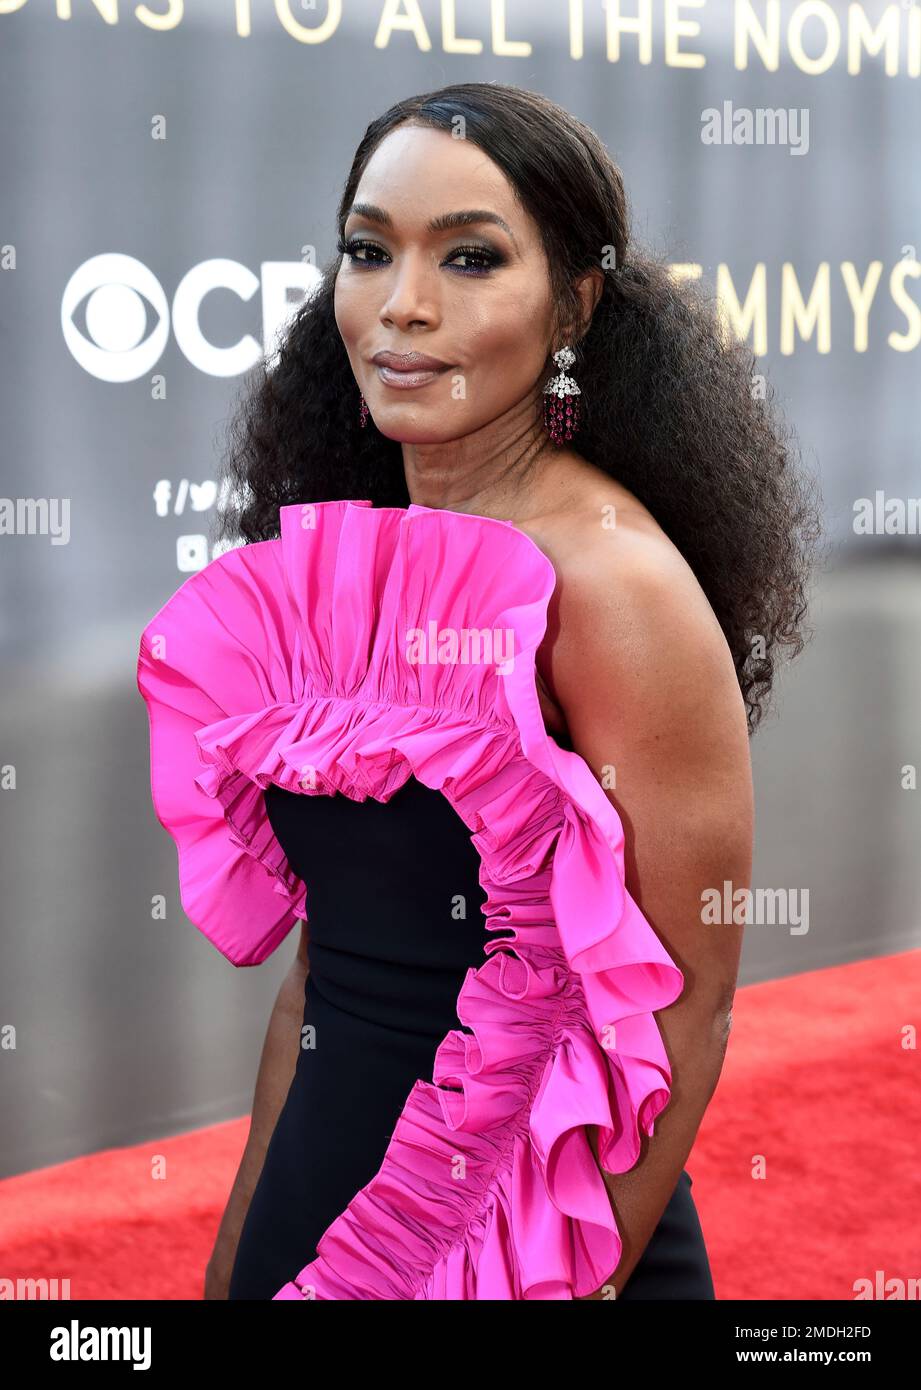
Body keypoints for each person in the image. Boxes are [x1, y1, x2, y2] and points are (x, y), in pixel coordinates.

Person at [137, 82, 822, 1301]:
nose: (401, 304)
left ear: (574, 303)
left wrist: (576, 1279)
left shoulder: (614, 584)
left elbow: (692, 1003)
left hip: (531, 1229)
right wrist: (243, 1241)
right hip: (326, 1185)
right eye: (367, 250)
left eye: (469, 257)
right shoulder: (354, 563)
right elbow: (320, 966)